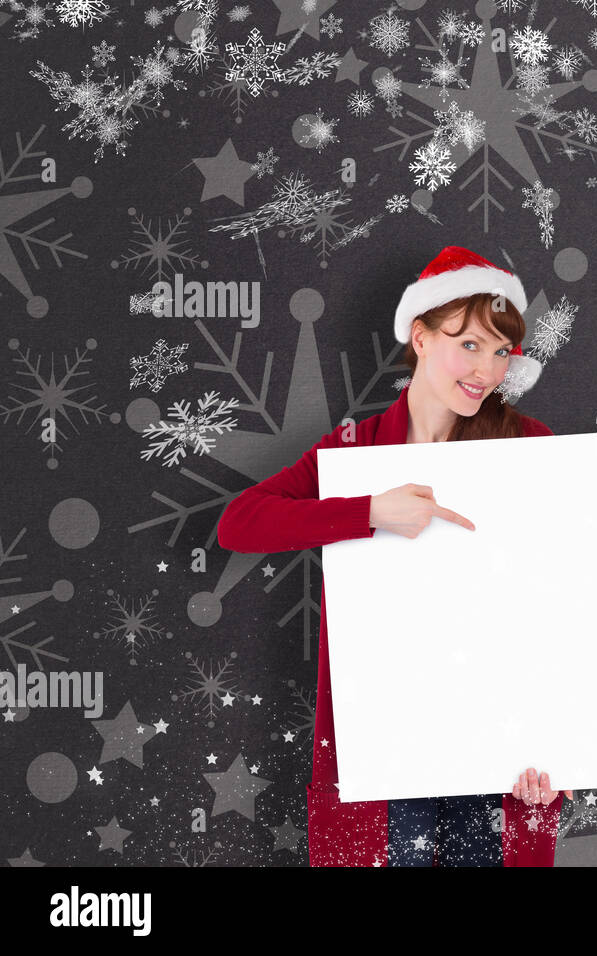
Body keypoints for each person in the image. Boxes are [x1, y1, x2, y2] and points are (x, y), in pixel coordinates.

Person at [217, 246, 571, 866]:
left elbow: (573, 594)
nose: (486, 370)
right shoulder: (357, 448)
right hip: (385, 736)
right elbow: (239, 524)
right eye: (469, 344)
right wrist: (368, 512)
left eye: (500, 351)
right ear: (421, 337)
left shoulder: (527, 444)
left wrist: (561, 744)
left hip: (498, 740)